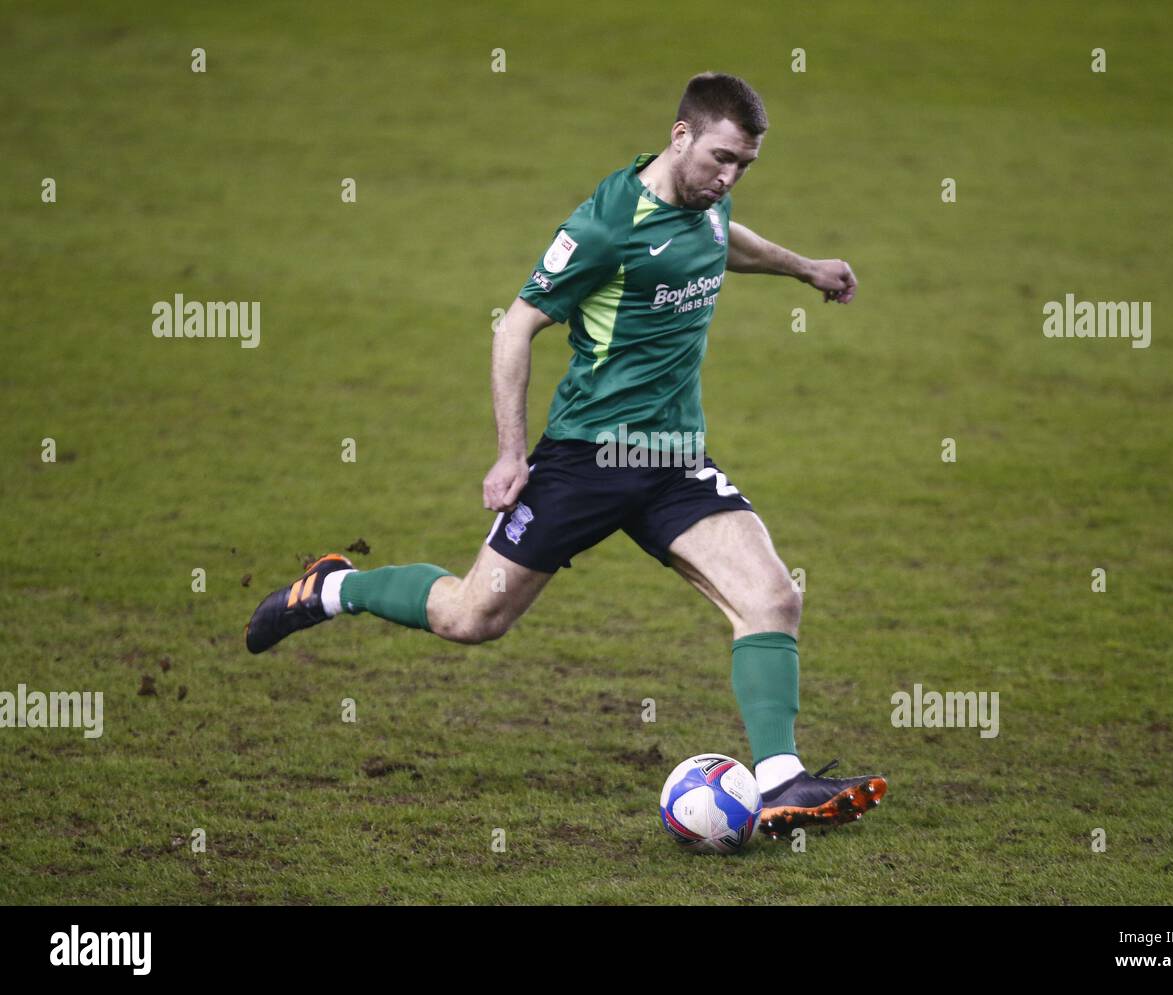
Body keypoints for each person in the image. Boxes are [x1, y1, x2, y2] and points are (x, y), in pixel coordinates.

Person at [245, 72, 887, 838]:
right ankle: (334, 587)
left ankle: (782, 779)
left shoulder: (708, 202)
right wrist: (510, 456)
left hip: (674, 459)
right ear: (679, 136)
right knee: (472, 617)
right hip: (586, 459)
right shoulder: (603, 228)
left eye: (743, 166)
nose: (729, 178)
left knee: (774, 597)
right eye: (720, 159)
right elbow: (513, 328)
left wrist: (803, 266)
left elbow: (720, 244)